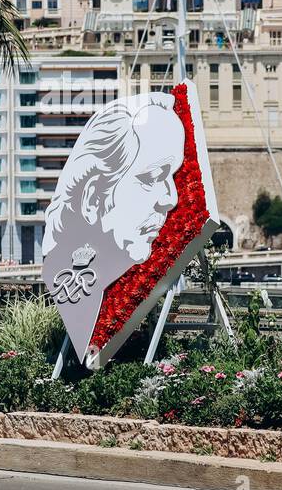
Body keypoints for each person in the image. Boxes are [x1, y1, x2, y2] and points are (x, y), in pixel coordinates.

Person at [41, 91, 185, 353]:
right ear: (93, 197)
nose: (170, 198)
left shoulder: (75, 274)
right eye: (153, 176)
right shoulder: (67, 277)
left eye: (172, 176)